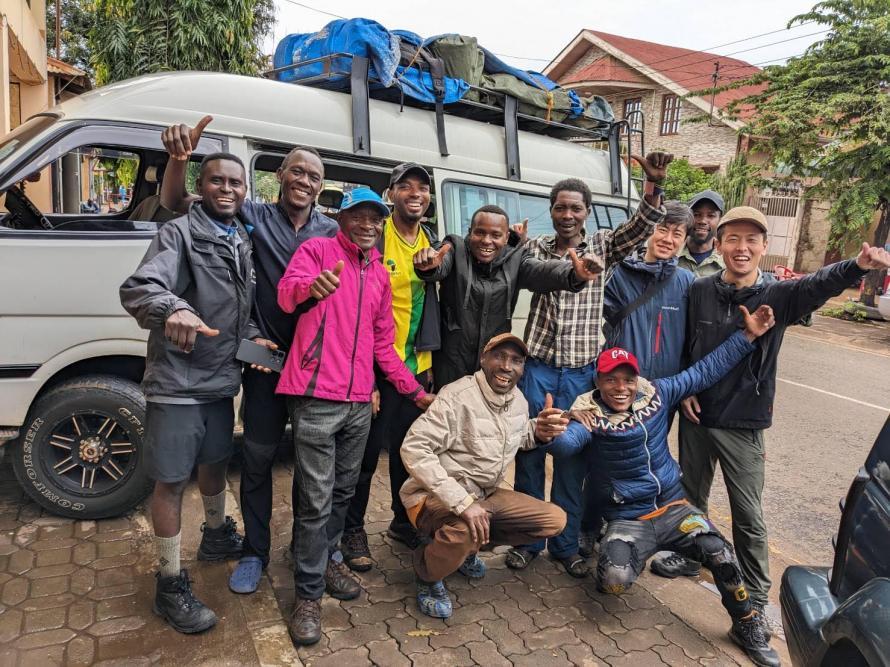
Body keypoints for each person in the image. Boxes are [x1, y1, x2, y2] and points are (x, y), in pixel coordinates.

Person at [670, 206, 890, 627]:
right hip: (697, 416)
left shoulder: (779, 295)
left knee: (747, 516)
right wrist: (685, 390)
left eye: (752, 240)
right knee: (691, 499)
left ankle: (755, 599)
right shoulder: (700, 290)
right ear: (719, 245)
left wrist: (857, 266)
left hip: (743, 422)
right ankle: (691, 557)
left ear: (764, 247)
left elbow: (818, 284)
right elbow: (687, 344)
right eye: (733, 239)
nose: (742, 247)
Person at [159, 116, 339, 594]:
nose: (304, 181)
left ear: (322, 186)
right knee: (257, 460)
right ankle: (255, 551)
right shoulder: (250, 214)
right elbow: (176, 202)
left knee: (312, 469)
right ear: (279, 175)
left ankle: (308, 550)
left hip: (318, 371)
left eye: (314, 176)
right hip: (266, 362)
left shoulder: (332, 231)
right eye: (297, 171)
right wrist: (178, 161)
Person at [552, 305, 781, 667]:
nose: (621, 388)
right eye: (611, 380)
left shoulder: (657, 394)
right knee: (613, 581)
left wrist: (749, 335)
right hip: (628, 520)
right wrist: (554, 428)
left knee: (720, 553)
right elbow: (566, 446)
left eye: (628, 379)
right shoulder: (589, 415)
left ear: (637, 379)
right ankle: (621, 553)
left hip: (675, 509)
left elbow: (705, 370)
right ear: (598, 380)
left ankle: (746, 624)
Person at [276, 187, 434, 646]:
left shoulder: (380, 273)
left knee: (343, 492)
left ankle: (326, 560)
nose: (367, 225)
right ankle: (308, 595)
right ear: (341, 218)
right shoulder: (317, 251)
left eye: (374, 218)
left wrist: (413, 391)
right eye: (358, 216)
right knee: (316, 498)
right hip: (315, 396)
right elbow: (286, 295)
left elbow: (383, 344)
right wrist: (311, 288)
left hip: (360, 402)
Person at [508, 152, 673, 577]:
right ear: (551, 211)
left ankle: (565, 546)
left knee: (573, 462)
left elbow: (640, 227)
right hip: (538, 369)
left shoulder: (602, 245)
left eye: (576, 208)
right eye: (560, 207)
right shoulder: (535, 248)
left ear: (586, 212)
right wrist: (512, 240)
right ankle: (527, 540)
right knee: (529, 454)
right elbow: (510, 262)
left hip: (582, 375)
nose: (567, 215)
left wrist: (653, 185)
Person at [119, 152, 253, 634]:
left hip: (220, 381)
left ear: (245, 190)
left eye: (235, 182)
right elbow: (140, 287)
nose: (227, 189)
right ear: (202, 185)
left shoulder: (240, 239)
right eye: (217, 180)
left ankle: (216, 535)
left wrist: (256, 340)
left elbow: (238, 311)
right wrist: (171, 307)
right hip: (178, 384)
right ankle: (169, 582)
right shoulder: (178, 234)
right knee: (172, 481)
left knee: (215, 463)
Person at [399, 333, 571, 619]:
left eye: (515, 360)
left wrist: (539, 432)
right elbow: (414, 448)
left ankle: (465, 550)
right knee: (465, 529)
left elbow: (517, 437)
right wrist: (463, 503)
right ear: (483, 359)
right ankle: (427, 572)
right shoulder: (458, 396)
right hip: (431, 497)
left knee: (554, 520)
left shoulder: (518, 400)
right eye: (499, 356)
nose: (506, 366)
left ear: (522, 368)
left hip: (484, 494)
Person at [340, 163, 441, 571]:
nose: (415, 194)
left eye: (422, 188)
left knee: (407, 454)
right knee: (364, 458)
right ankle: (352, 530)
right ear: (391, 194)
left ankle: (403, 521)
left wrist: (428, 364)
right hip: (376, 368)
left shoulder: (431, 240)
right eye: (406, 186)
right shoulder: (376, 238)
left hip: (414, 368)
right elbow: (359, 310)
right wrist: (367, 378)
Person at [413, 205, 607, 391]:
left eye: (496, 235)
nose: (487, 241)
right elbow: (440, 264)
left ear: (506, 237)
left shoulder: (516, 259)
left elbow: (542, 270)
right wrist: (429, 266)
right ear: (470, 232)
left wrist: (573, 274)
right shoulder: (455, 248)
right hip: (450, 364)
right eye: (480, 233)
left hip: (492, 366)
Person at [602, 200, 696, 379]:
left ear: (684, 241)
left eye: (677, 234)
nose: (668, 239)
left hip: (666, 387)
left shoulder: (687, 282)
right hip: (621, 384)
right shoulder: (617, 272)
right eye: (662, 229)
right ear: (649, 230)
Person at [677, 190, 725, 276]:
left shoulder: (727, 262)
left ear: (720, 220)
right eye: (696, 214)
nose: (702, 221)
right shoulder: (671, 253)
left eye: (710, 215)